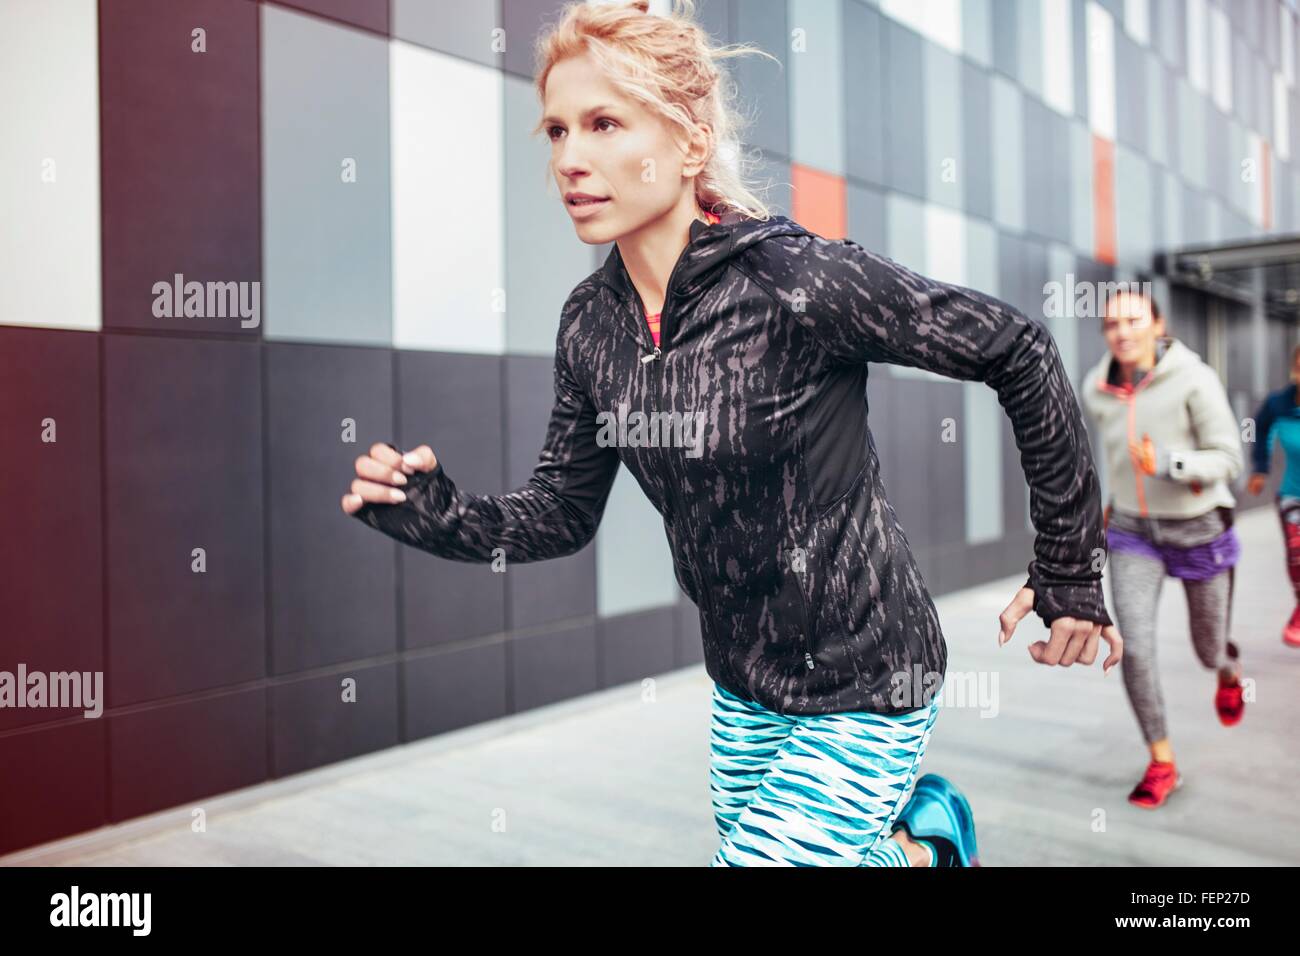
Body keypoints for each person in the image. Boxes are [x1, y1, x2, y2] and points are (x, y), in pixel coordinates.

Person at [341, 0, 1120, 866]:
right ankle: (925, 850)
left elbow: (1018, 348)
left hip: (870, 672)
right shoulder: (590, 327)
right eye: (557, 131)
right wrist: (441, 515)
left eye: (604, 123)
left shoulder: (795, 280)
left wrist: (1069, 568)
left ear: (688, 143)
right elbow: (562, 513)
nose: (571, 158)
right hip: (744, 682)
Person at [1081, 289, 1245, 810]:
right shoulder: (1096, 387)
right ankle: (1161, 761)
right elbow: (1110, 458)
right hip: (1132, 532)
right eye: (1111, 324)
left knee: (1207, 648)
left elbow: (1228, 459)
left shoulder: (1195, 379)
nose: (1122, 332)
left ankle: (1228, 670)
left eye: (1133, 320)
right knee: (1133, 645)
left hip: (1198, 529)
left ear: (1158, 324)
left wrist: (1170, 464)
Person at [1245, 344, 1300, 647]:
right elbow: (1257, 427)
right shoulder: (1279, 404)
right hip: (1293, 494)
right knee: (1297, 555)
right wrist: (1260, 469)